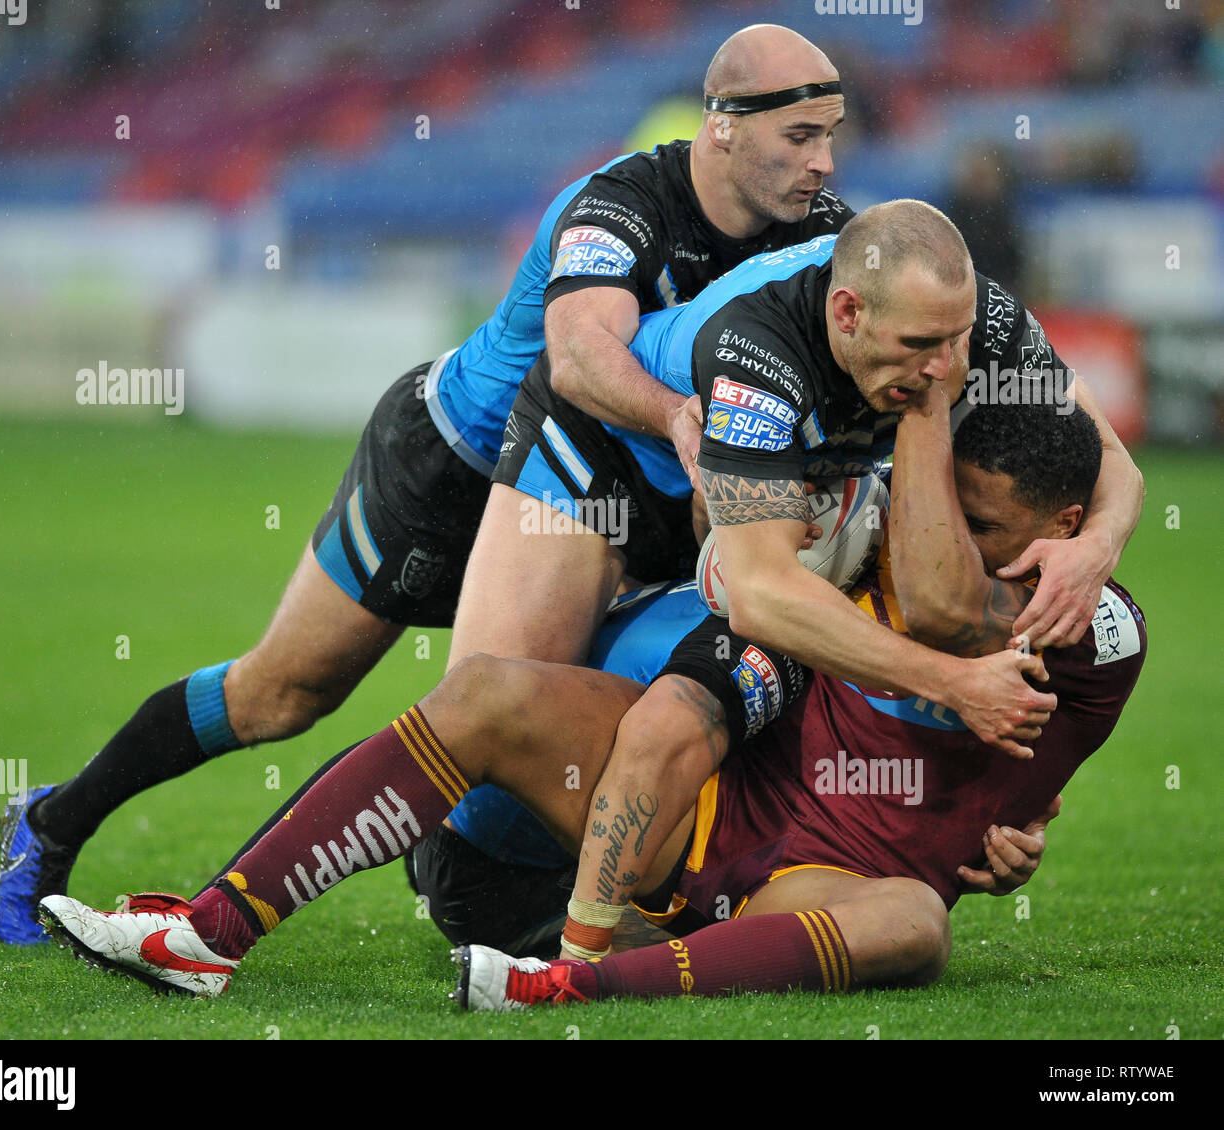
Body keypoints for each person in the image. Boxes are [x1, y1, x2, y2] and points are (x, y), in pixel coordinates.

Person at [0, 23, 855, 945]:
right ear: (722, 124)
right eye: (801, 137)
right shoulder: (622, 201)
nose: (824, 162)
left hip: (596, 494)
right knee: (283, 694)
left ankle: (212, 924)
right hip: (448, 468)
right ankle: (56, 825)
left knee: (505, 727)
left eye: (832, 135)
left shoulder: (821, 235)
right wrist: (684, 419)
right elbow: (575, 356)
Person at [35, 398, 1143, 1004]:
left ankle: (576, 984)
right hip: (704, 798)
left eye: (981, 524)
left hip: (818, 883)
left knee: (914, 925)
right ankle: (210, 932)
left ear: (1059, 538)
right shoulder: (872, 522)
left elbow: (1000, 754)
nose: (941, 532)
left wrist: (1014, 834)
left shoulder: (1097, 631)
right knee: (487, 690)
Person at [434, 200, 1142, 959]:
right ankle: (491, 888)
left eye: (829, 131)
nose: (942, 365)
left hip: (740, 532)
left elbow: (1111, 457)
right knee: (480, 721)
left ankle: (613, 928)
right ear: (847, 313)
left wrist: (1095, 545)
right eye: (802, 131)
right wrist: (951, 682)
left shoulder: (967, 330)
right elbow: (774, 596)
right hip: (601, 470)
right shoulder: (764, 345)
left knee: (739, 708)